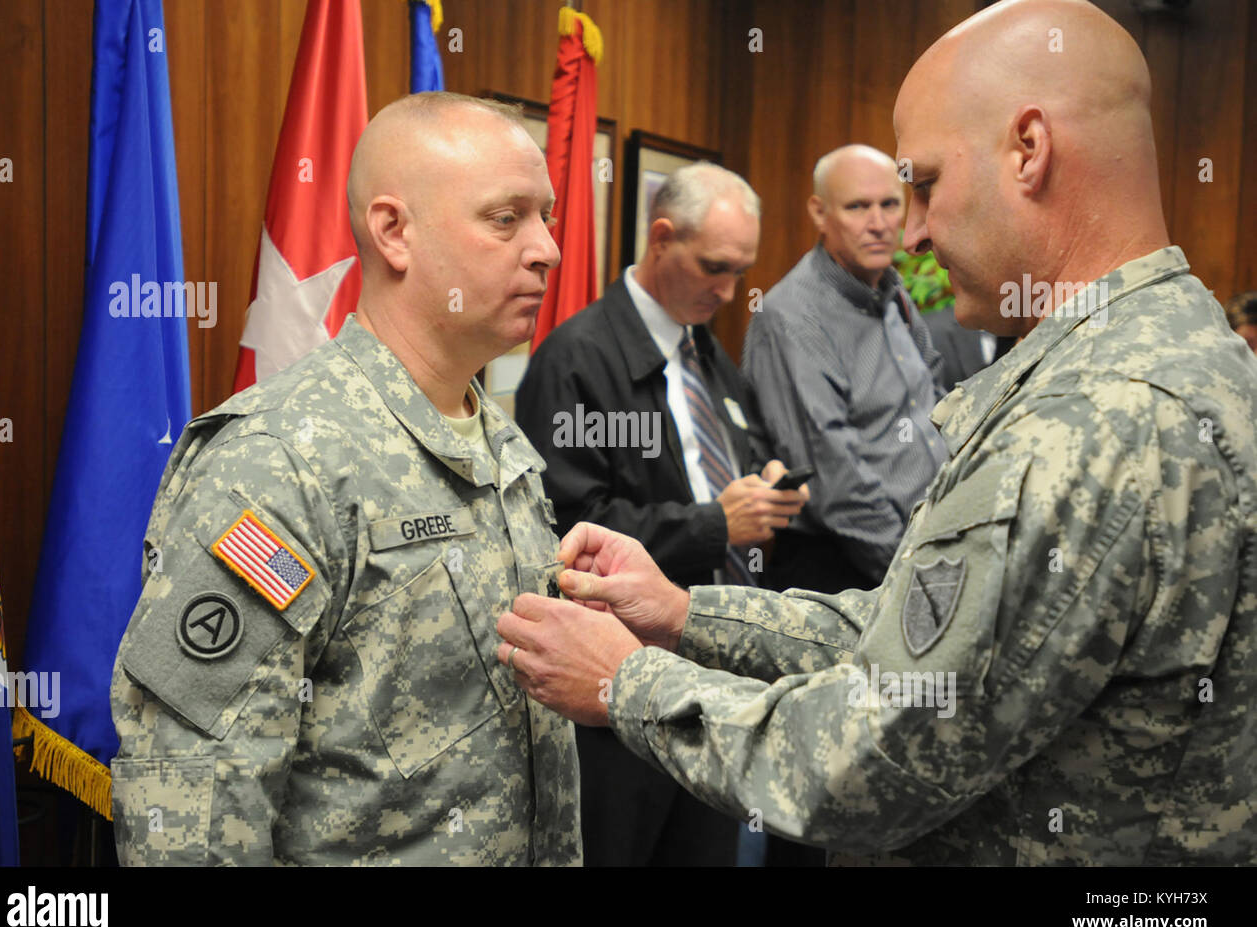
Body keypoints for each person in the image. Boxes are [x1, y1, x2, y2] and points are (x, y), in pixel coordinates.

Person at [494, 0, 1257, 864]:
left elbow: (862, 761)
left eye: (924, 185)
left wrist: (623, 680)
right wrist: (683, 613)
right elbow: (910, 637)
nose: (914, 232)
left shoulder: (1095, 416)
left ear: (1030, 150)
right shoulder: (1176, 350)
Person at [109, 92, 582, 866]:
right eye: (506, 219)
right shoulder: (278, 459)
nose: (546, 251)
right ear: (394, 232)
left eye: (547, 217)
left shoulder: (500, 443)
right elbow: (192, 810)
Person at [514, 161, 807, 866]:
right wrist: (715, 524)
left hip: (701, 680)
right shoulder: (578, 355)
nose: (729, 291)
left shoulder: (706, 351)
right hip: (611, 695)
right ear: (661, 237)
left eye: (741, 272)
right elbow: (567, 527)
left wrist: (766, 486)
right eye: (714, 267)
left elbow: (731, 456)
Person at [743, 145, 946, 595]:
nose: (878, 223)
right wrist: (915, 581)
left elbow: (940, 405)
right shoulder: (792, 316)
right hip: (848, 572)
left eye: (889, 204)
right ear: (820, 213)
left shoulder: (894, 293)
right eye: (858, 207)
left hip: (921, 550)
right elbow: (835, 479)